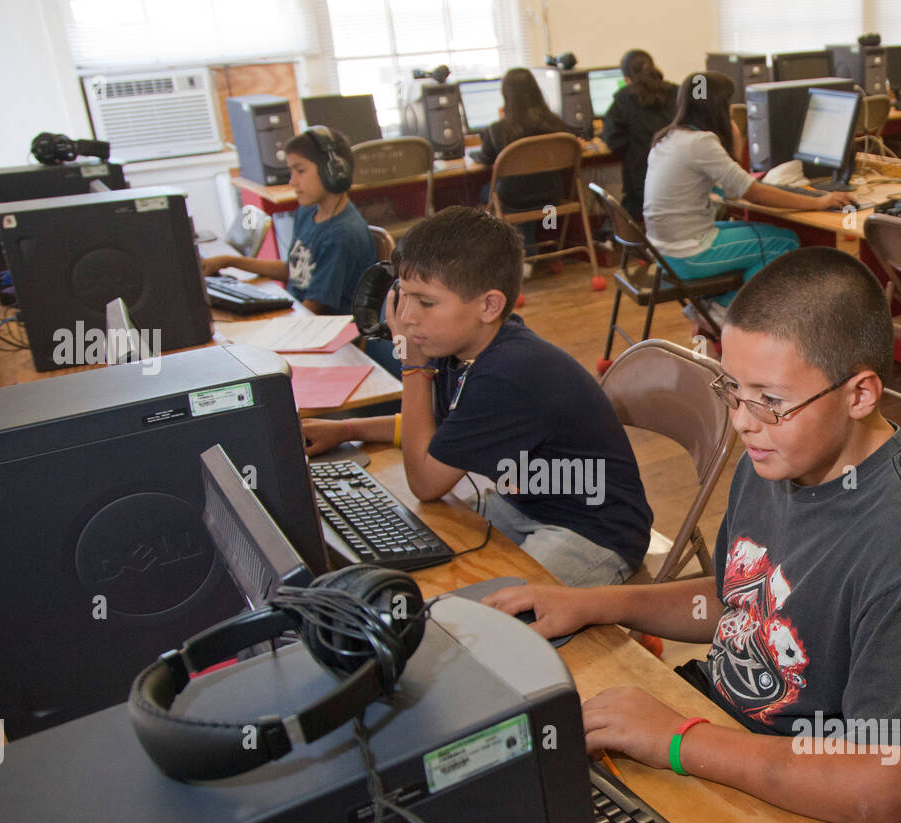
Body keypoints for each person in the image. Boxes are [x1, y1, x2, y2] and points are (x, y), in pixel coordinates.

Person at [482, 247, 901, 823]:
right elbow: (737, 598)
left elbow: (884, 790)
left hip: (830, 801)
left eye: (768, 398)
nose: (742, 421)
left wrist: (679, 740)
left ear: (861, 393)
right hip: (727, 729)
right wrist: (594, 603)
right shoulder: (776, 457)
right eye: (732, 390)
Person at [300, 205, 654, 588]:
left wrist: (413, 368)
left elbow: (426, 481)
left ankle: (615, 623)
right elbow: (441, 429)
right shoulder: (465, 346)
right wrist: (348, 429)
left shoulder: (505, 375)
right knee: (426, 553)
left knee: (492, 614)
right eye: (404, 297)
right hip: (526, 502)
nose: (408, 317)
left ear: (489, 305)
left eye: (426, 302)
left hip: (593, 532)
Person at [643, 72, 856, 328]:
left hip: (663, 251)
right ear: (718, 107)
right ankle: (731, 317)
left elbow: (729, 187)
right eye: (728, 104)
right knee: (783, 241)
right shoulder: (700, 143)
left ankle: (709, 306)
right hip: (687, 256)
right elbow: (750, 191)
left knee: (760, 234)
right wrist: (819, 201)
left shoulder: (669, 137)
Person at [201, 127, 376, 315]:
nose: (292, 181)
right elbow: (292, 270)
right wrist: (228, 261)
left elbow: (313, 308)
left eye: (300, 171)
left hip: (320, 329)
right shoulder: (307, 212)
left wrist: (271, 321)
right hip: (298, 313)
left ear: (332, 173)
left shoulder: (342, 235)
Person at [476, 67, 584, 260]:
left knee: (487, 192)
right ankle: (549, 250)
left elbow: (485, 159)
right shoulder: (555, 124)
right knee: (534, 195)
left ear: (505, 96)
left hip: (513, 199)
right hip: (551, 196)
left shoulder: (497, 129)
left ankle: (522, 256)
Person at [601, 50, 678, 223]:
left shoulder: (623, 99)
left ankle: (612, 235)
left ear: (627, 78)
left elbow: (615, 141)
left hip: (643, 182)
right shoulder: (676, 92)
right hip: (678, 176)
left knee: (629, 207)